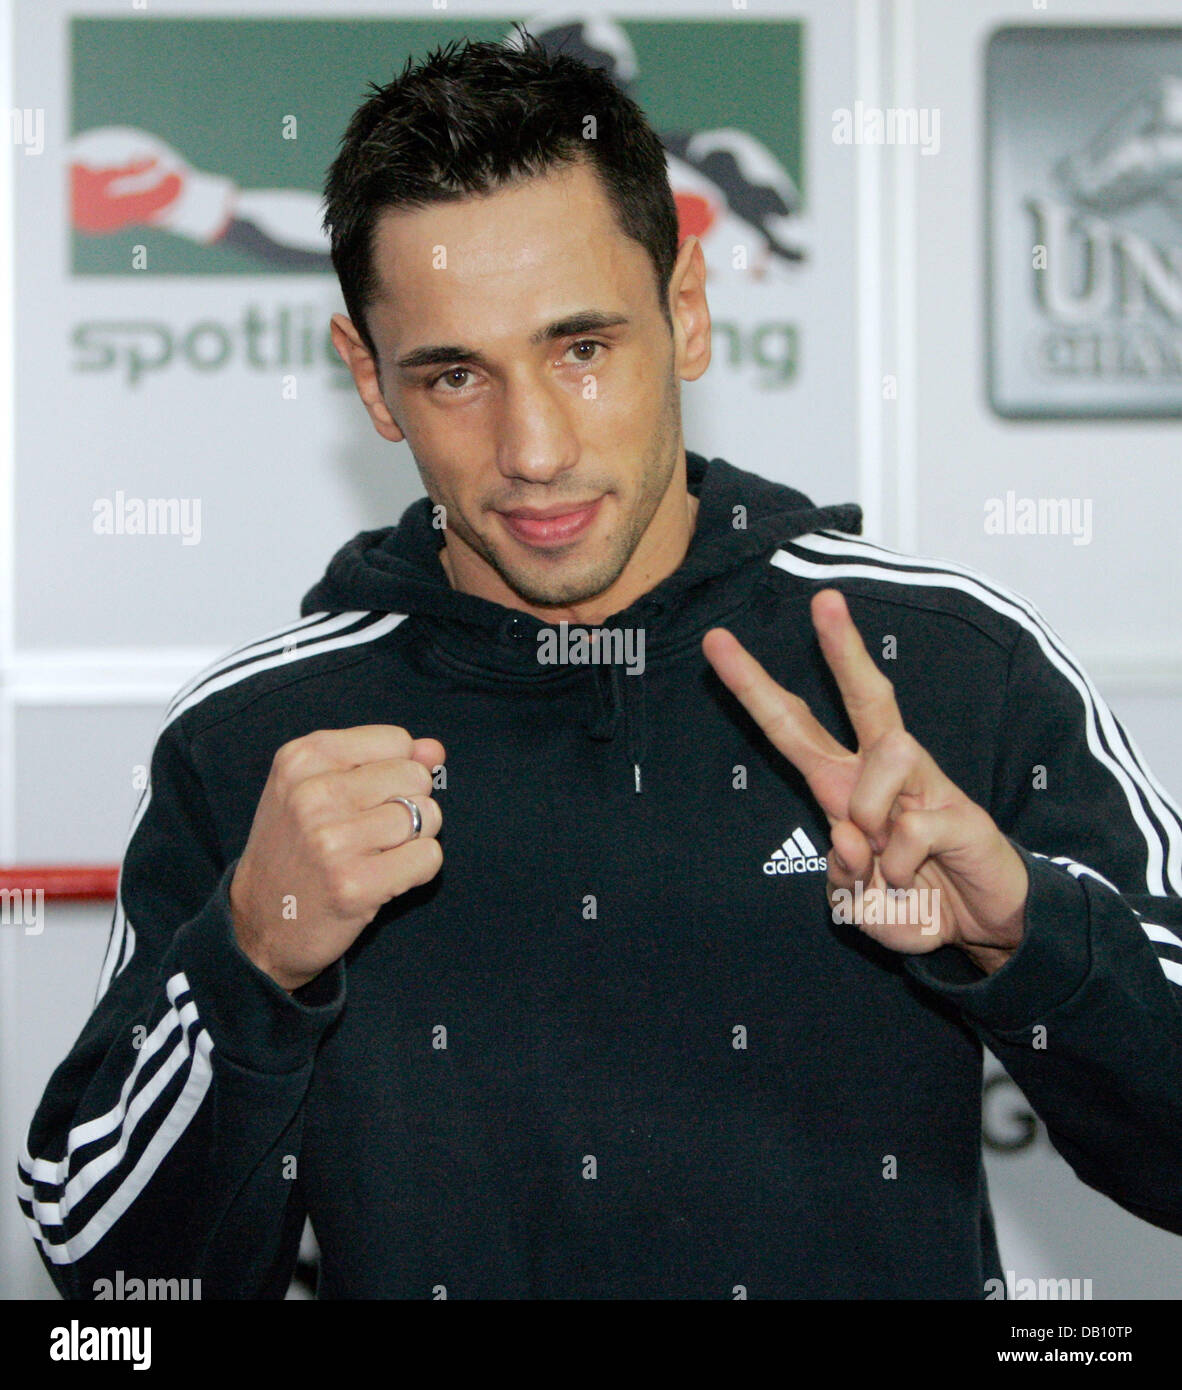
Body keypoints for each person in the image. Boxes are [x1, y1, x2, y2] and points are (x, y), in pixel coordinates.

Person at [18, 31, 1182, 1300]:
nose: (533, 447)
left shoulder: (943, 667)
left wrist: (1034, 943)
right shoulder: (254, 742)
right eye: (455, 373)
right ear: (369, 380)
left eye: (583, 348)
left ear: (686, 313)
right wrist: (250, 961)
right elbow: (107, 1283)